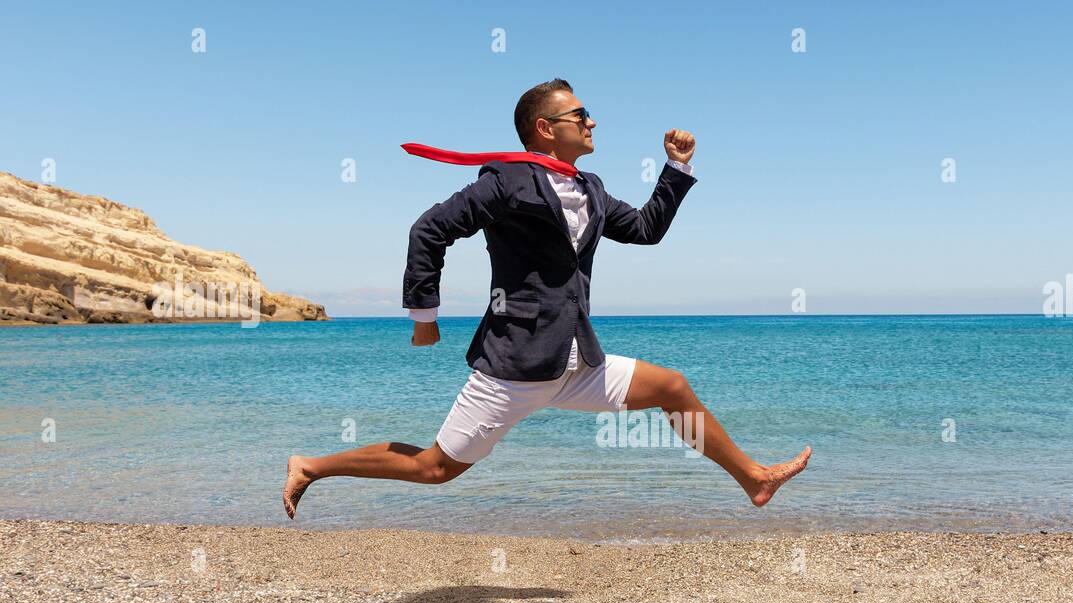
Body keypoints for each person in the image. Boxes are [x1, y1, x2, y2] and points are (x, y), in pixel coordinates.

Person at [283, 79, 810, 519]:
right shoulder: (506, 182)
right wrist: (425, 315)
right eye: (580, 114)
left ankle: (754, 479)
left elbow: (647, 229)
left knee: (672, 387)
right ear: (545, 128)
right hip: (514, 366)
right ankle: (312, 465)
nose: (592, 122)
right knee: (434, 468)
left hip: (575, 358)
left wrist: (676, 168)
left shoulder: (592, 188)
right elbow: (429, 230)